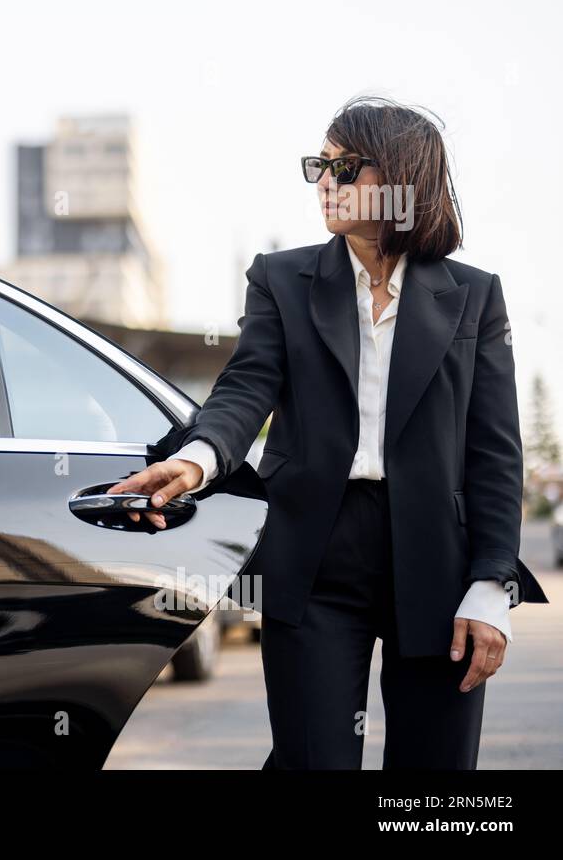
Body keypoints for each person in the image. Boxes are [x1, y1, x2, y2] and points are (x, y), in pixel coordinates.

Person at [110, 95, 548, 769]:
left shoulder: (474, 296)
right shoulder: (283, 281)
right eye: (320, 165)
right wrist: (198, 458)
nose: (325, 181)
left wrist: (493, 585)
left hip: (439, 561)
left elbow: (494, 452)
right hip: (315, 555)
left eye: (346, 167)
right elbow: (246, 387)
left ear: (404, 179)